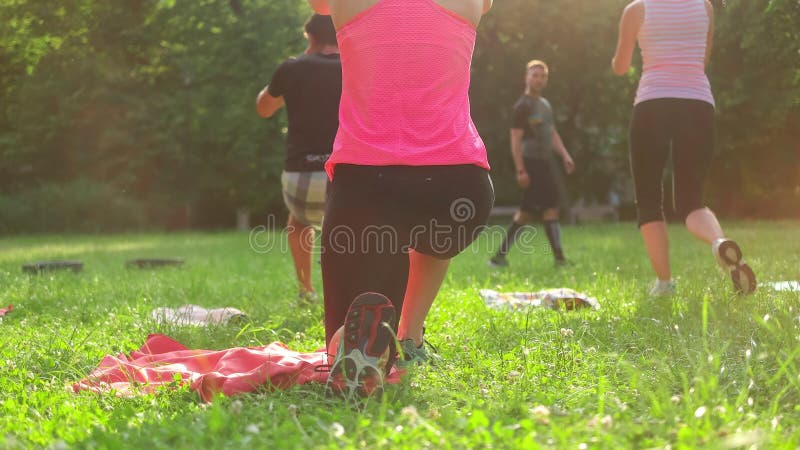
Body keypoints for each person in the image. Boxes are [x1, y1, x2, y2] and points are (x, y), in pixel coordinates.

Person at [308, 0, 495, 396]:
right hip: (460, 190)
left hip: (367, 186)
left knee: (354, 311)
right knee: (429, 238)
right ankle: (408, 338)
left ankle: (351, 343)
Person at [612, 0, 756, 296]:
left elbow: (621, 66)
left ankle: (665, 283)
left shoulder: (637, 9)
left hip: (653, 103)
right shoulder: (704, 6)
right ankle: (719, 243)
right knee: (692, 201)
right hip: (698, 103)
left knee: (649, 199)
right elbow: (701, 61)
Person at [256, 14, 341, 302]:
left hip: (299, 182)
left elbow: (263, 108)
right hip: (346, 177)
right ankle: (347, 290)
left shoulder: (291, 69)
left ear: (312, 38)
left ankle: (307, 291)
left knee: (298, 223)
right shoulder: (357, 66)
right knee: (355, 221)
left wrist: (293, 85)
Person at [489, 60, 575, 268]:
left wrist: (564, 155)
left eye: (543, 76)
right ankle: (557, 259)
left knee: (538, 210)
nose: (539, 79)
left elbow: (551, 133)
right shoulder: (522, 106)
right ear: (526, 78)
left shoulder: (545, 105)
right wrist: (520, 170)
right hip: (530, 163)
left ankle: (500, 257)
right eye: (535, 75)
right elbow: (515, 139)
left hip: (545, 163)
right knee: (539, 210)